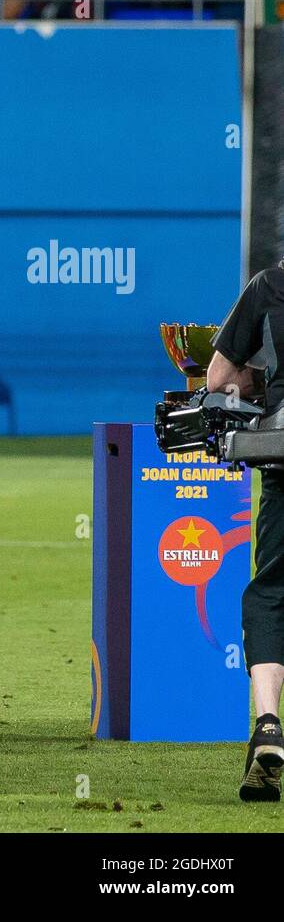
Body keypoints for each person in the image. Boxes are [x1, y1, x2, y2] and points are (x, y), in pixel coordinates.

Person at [207, 261, 284, 801]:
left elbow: (218, 380)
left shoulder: (271, 284)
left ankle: (269, 726)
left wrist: (261, 381)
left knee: (271, 595)